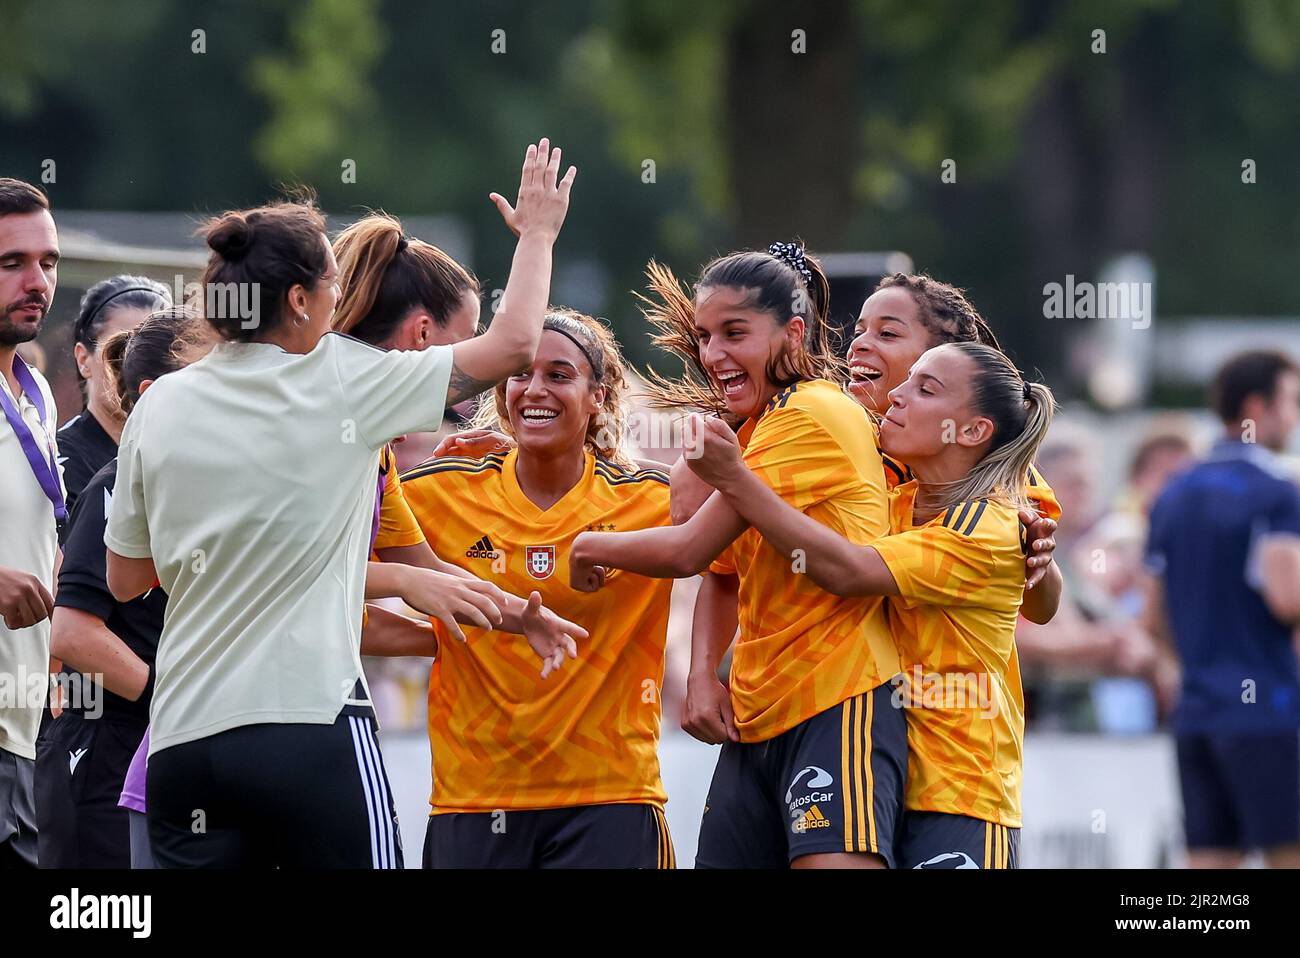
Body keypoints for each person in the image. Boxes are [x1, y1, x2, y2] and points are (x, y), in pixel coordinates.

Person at [103, 139, 579, 868]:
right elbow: (514, 343)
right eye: (329, 282)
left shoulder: (159, 403)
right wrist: (539, 234)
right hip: (310, 726)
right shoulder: (343, 376)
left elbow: (127, 581)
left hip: (182, 745)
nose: (338, 298)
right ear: (298, 300)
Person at [570, 243, 907, 868]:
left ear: (794, 333)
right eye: (704, 336)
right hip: (758, 711)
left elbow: (687, 548)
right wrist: (702, 674)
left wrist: (587, 546)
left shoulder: (811, 413)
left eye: (735, 333)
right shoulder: (750, 428)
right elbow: (720, 577)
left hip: (837, 699)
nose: (713, 354)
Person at [676, 342, 1057, 868]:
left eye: (924, 387)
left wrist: (737, 480)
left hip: (958, 789)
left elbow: (848, 570)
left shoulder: (984, 521)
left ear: (971, 431)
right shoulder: (895, 497)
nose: (895, 394)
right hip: (885, 777)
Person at [398, 309, 679, 868]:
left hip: (610, 798)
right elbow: (326, 562)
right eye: (520, 374)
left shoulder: (651, 500)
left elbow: (736, 558)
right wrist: (436, 635)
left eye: (559, 374)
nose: (534, 390)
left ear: (597, 395)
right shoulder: (440, 488)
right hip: (473, 800)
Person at [39, 308, 214, 868]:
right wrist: (172, 700)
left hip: (167, 745)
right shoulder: (117, 482)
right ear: (157, 392)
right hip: (107, 753)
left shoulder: (208, 484)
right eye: (212, 374)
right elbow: (70, 631)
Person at [1144, 350, 1300, 868]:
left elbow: (1153, 616)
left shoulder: (1173, 495)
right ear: (1257, 407)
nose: (1295, 418)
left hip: (1197, 715)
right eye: (1292, 402)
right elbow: (1287, 597)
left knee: (1210, 878)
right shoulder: (1277, 492)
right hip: (1267, 712)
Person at [0, 177, 62, 868]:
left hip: (22, 737)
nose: (36, 280)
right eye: (11, 263)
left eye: (46, 262)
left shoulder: (37, 391)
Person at [56, 276, 171, 513]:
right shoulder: (58, 464)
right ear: (83, 360)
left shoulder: (181, 453)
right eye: (122, 350)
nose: (141, 369)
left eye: (160, 355)